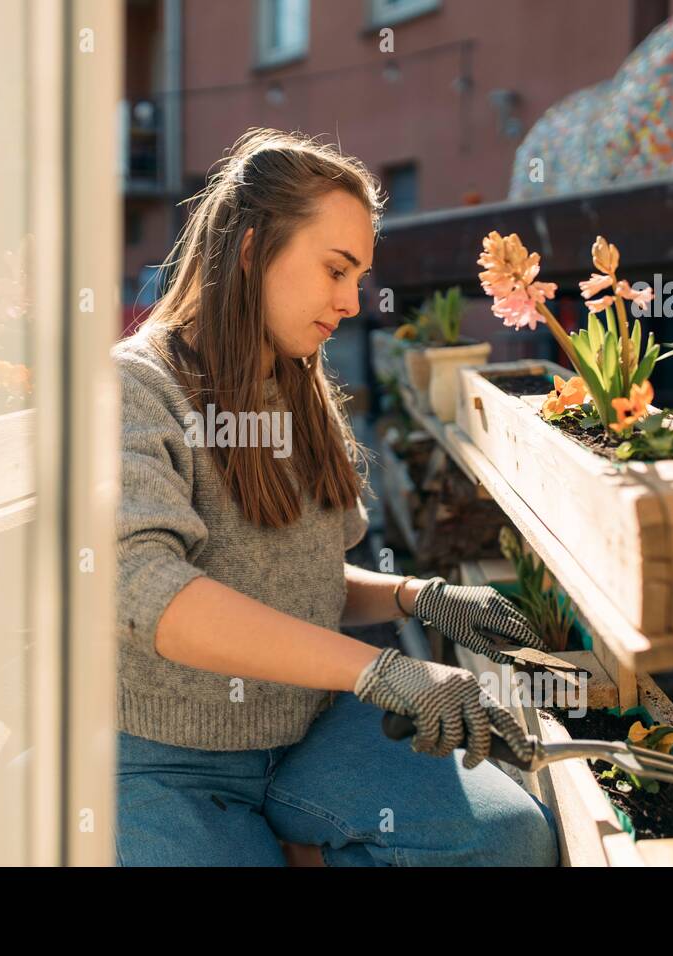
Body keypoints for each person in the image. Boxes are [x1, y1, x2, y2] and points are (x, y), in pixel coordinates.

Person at [113, 128, 560, 867]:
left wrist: (418, 596)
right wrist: (383, 670)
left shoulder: (300, 389)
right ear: (252, 249)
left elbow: (301, 582)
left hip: (306, 730)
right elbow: (148, 593)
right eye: (335, 270)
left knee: (506, 840)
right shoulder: (135, 386)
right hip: (165, 761)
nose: (352, 302)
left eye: (358, 276)